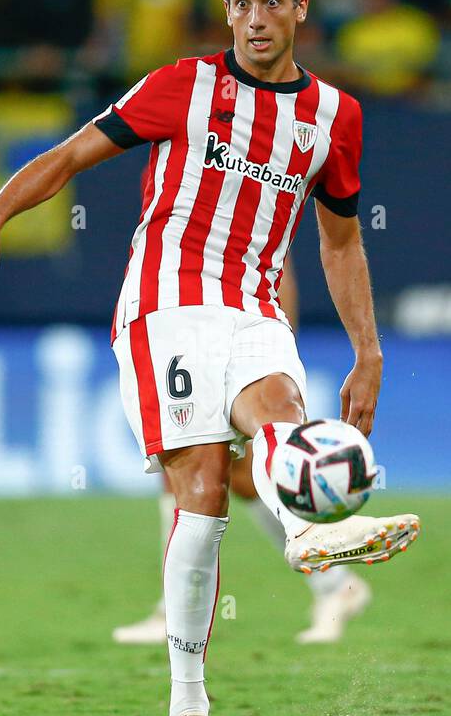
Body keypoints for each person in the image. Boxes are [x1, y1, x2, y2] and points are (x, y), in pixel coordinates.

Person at [0, 0, 421, 716]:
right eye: (240, 3)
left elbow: (341, 244)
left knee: (278, 413)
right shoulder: (183, 86)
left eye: (271, 2)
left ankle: (309, 532)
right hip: (166, 304)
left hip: (253, 303)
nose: (254, 19)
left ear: (301, 9)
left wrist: (369, 351)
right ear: (227, 9)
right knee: (202, 489)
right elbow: (70, 156)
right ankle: (189, 704)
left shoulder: (333, 117)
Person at [110, 258, 375, 648]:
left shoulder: (246, 211)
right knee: (221, 473)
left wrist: (275, 349)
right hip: (194, 324)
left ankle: (176, 610)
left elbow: (276, 264)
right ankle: (336, 582)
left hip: (235, 332)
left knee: (193, 467)